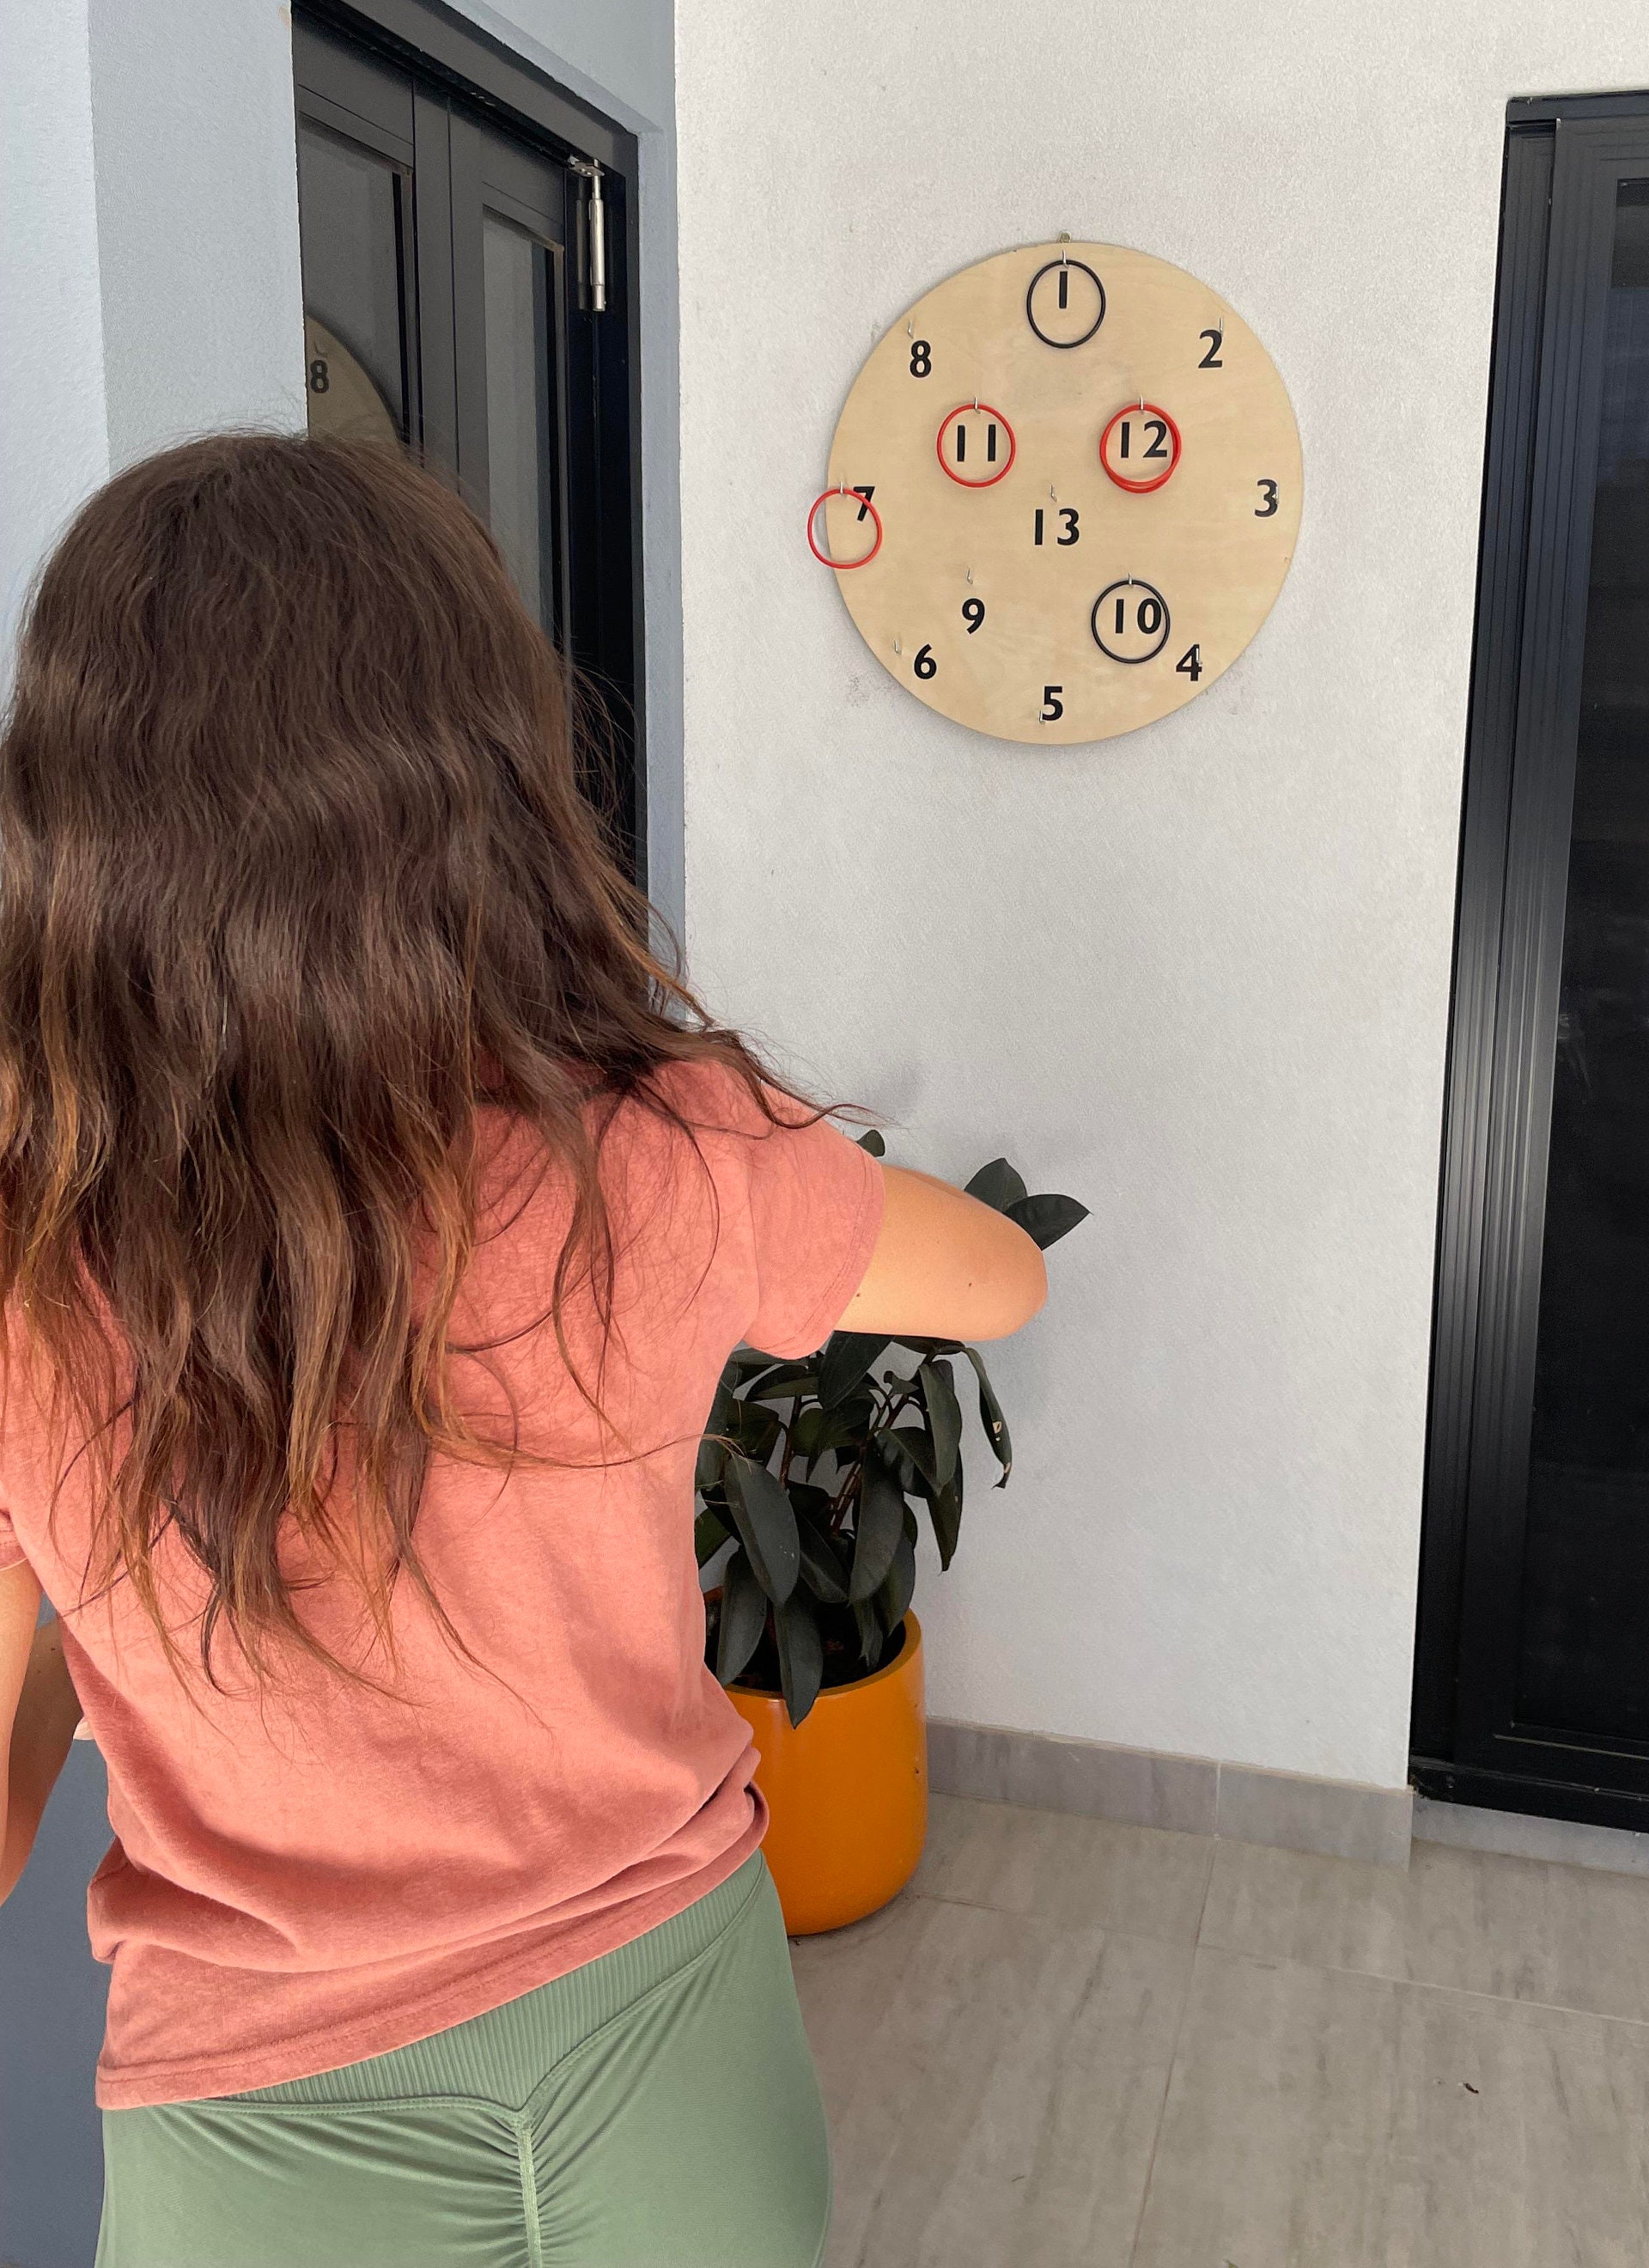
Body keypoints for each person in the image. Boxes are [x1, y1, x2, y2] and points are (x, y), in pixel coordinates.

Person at [0, 435, 1048, 2268]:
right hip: (675, 2066)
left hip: (255, 2129)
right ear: (486, 785)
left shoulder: (27, 1253)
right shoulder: (656, 1153)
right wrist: (714, 1143)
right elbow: (1001, 1282)